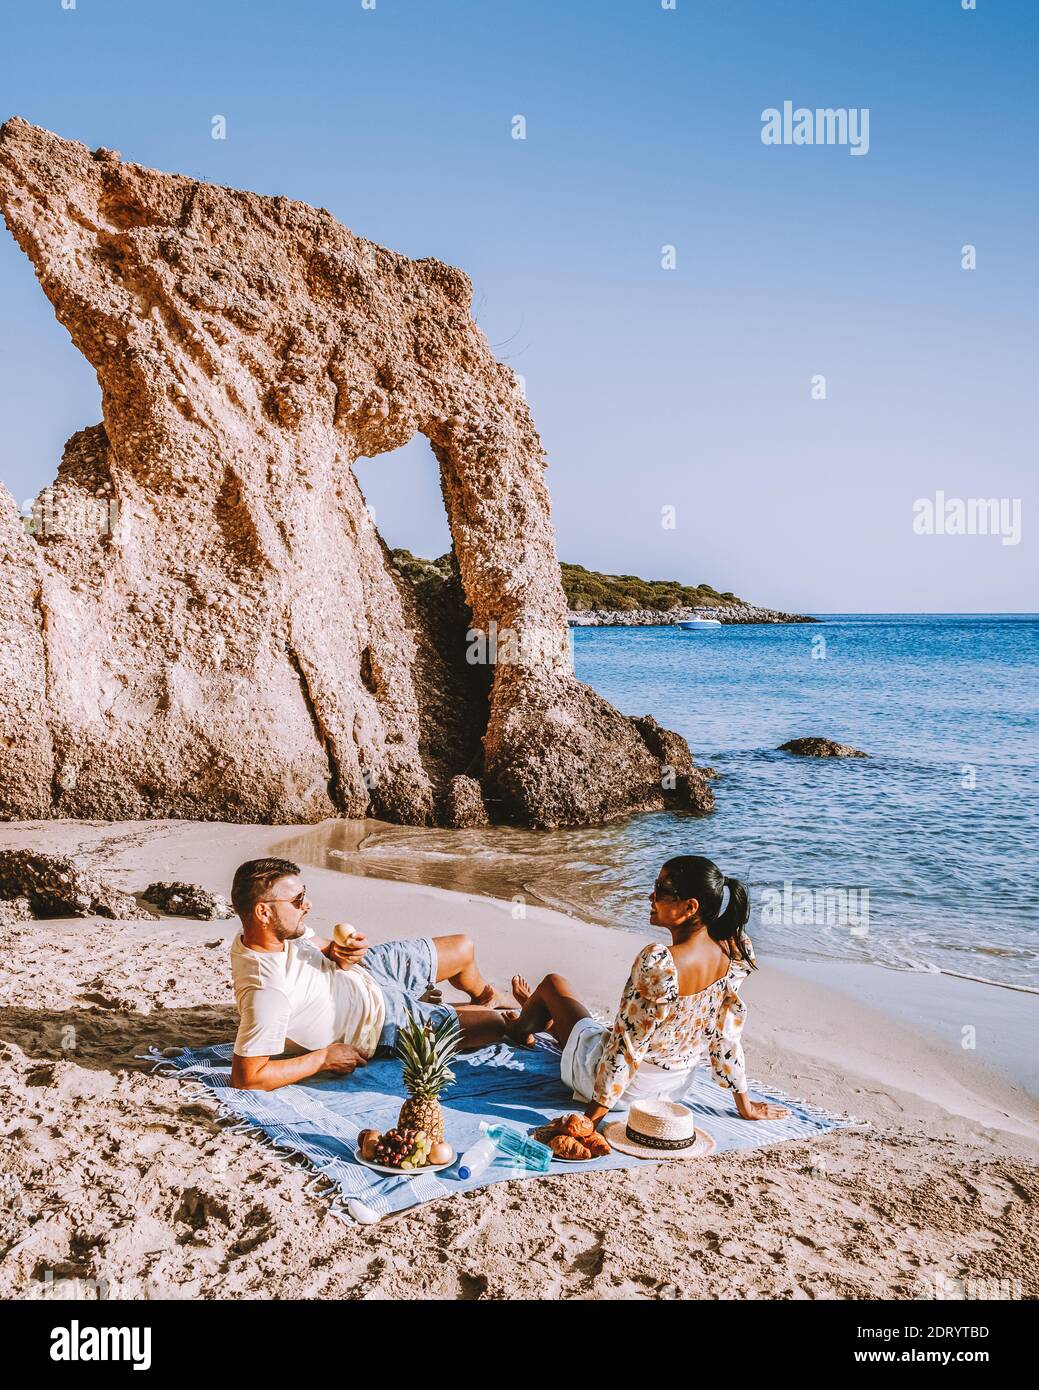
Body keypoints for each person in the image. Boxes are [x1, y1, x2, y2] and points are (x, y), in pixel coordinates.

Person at [505, 855, 791, 1127]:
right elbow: (726, 1034)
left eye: (661, 890)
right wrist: (745, 1105)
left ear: (690, 907)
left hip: (624, 1090)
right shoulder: (732, 951)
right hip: (673, 1089)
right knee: (584, 1027)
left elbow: (627, 1047)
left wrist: (590, 1121)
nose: (650, 897)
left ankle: (522, 1027)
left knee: (553, 984)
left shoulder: (660, 962)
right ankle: (543, 1019)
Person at [227, 857, 513, 1091]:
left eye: (305, 894)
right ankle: (459, 1008)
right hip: (381, 1022)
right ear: (263, 912)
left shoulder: (271, 933)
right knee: (495, 1025)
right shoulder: (267, 994)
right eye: (298, 899)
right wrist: (323, 1058)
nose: (308, 904)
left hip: (368, 971)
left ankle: (484, 994)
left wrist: (341, 951)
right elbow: (247, 1078)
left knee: (463, 947)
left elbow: (324, 948)